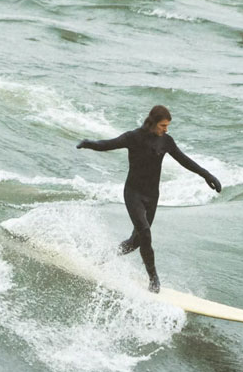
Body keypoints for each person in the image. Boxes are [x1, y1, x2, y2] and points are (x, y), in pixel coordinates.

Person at [76, 105, 222, 293]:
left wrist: (207, 175)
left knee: (136, 242)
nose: (166, 129)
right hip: (133, 193)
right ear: (152, 123)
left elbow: (184, 160)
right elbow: (108, 145)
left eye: (167, 126)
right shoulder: (133, 137)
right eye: (163, 125)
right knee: (145, 232)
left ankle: (104, 257)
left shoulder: (166, 141)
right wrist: (88, 143)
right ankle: (153, 279)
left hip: (152, 197)